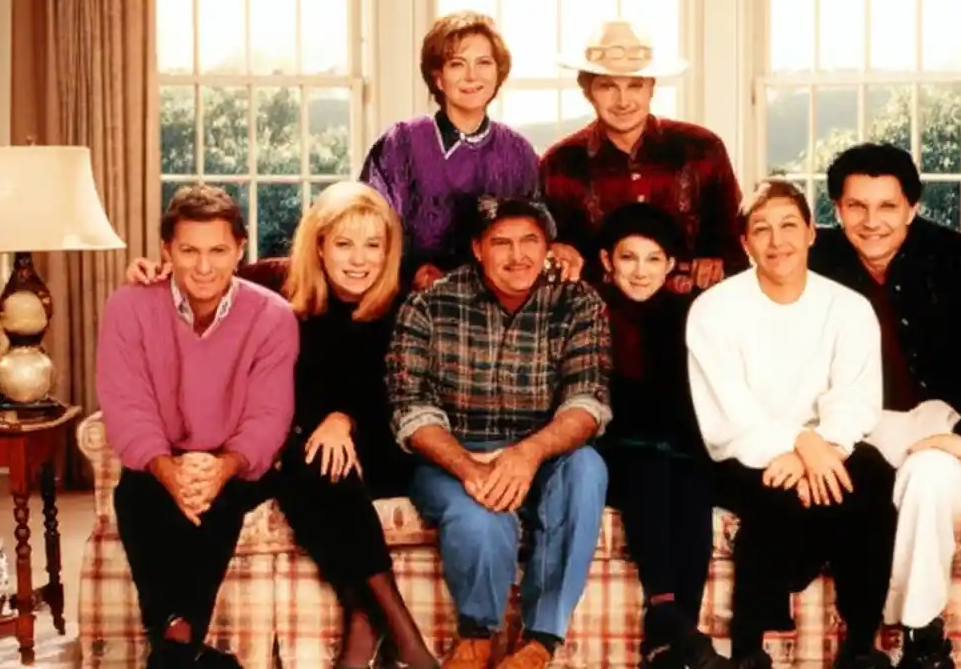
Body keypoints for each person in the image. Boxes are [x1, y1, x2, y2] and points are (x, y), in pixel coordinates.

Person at [120, 182, 438, 668]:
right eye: (344, 244)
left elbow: (400, 397)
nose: (360, 260)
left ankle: (392, 625)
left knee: (321, 465)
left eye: (374, 245)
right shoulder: (274, 285)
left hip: (373, 442)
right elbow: (207, 271)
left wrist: (343, 419)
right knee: (290, 466)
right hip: (287, 441)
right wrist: (155, 271)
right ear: (319, 245)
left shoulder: (405, 308)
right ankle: (366, 619)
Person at [809, 143, 961, 669]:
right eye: (856, 207)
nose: (871, 222)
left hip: (940, 421)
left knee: (932, 480)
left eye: (887, 206)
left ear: (912, 207)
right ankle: (867, 640)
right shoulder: (812, 262)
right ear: (837, 209)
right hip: (847, 425)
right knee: (850, 486)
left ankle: (921, 636)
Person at [387, 196, 611, 669]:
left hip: (544, 453)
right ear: (476, 247)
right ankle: (477, 636)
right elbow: (410, 410)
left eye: (530, 241)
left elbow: (587, 402)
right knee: (480, 518)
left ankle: (540, 641)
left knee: (588, 467)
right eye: (501, 243)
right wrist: (470, 468)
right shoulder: (429, 304)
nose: (518, 256)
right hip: (455, 453)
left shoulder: (577, 301)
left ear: (549, 246)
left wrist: (527, 455)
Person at [687, 181, 896, 669]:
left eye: (788, 227)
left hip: (830, 446)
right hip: (743, 449)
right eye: (762, 230)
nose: (776, 241)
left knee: (872, 478)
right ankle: (747, 647)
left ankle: (861, 646)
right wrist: (799, 444)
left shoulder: (848, 307)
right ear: (745, 243)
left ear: (811, 234)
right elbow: (728, 408)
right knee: (772, 490)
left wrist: (821, 448)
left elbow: (857, 396)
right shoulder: (714, 310)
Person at [97, 185, 300, 668]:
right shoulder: (129, 306)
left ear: (240, 249)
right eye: (189, 250)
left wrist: (220, 469)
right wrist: (171, 472)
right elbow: (128, 407)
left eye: (217, 251)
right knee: (137, 495)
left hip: (239, 463)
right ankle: (186, 649)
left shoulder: (273, 316)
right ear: (166, 250)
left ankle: (174, 648)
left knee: (218, 505)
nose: (204, 266)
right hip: (162, 457)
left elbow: (269, 415)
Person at [591, 203, 727, 669]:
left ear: (671, 266)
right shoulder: (593, 311)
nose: (641, 271)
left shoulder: (689, 313)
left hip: (679, 446)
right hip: (615, 448)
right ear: (608, 261)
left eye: (654, 260)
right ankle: (669, 614)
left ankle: (671, 637)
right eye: (629, 258)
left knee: (691, 483)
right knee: (649, 470)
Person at [360, 11, 582, 290]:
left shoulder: (517, 152)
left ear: (498, 73)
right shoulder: (402, 142)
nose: (471, 76)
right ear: (438, 77)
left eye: (484, 63)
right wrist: (413, 272)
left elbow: (537, 232)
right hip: (410, 299)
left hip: (499, 305)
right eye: (457, 64)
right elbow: (369, 230)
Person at [541, 19, 745, 290]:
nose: (623, 101)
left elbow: (734, 246)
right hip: (598, 321)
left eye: (634, 85)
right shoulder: (560, 164)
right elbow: (552, 257)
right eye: (608, 86)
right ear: (588, 91)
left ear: (651, 87)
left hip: (692, 315)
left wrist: (715, 262)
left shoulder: (702, 150)